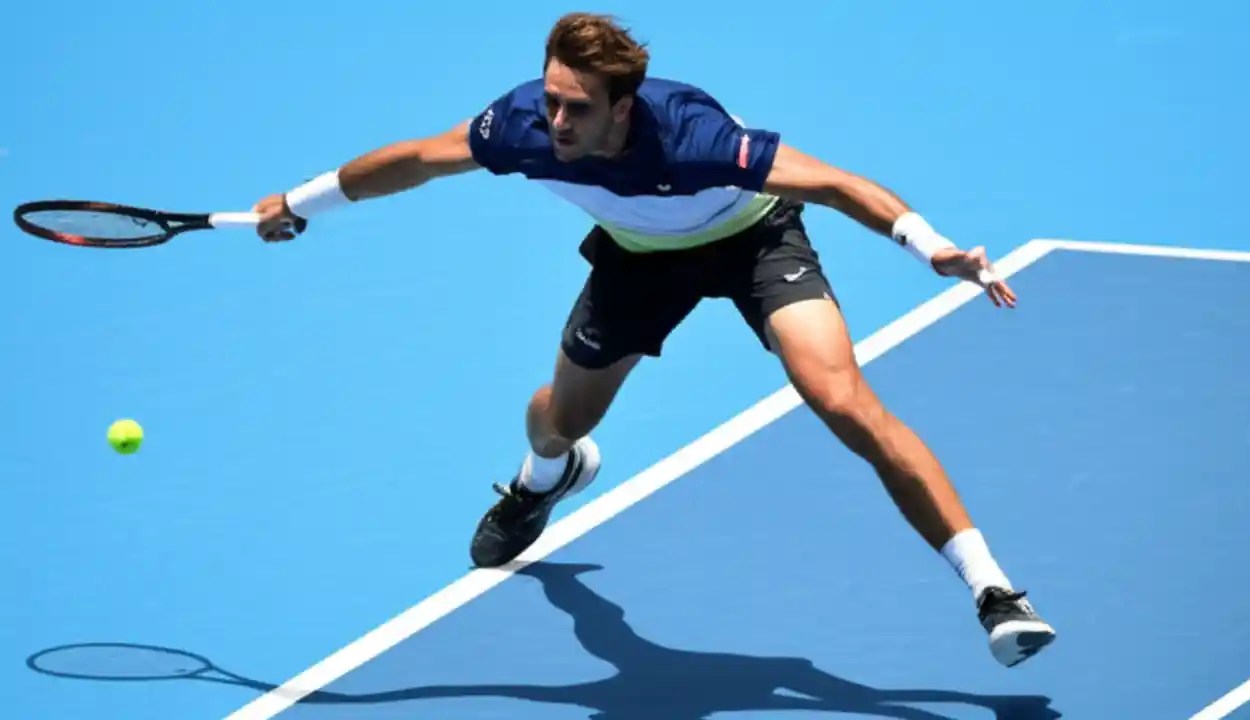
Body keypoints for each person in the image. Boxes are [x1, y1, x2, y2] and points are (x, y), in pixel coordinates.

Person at [252, 12, 1055, 668]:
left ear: (624, 106)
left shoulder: (696, 138)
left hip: (753, 243)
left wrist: (930, 244)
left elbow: (839, 184)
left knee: (841, 400)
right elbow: (417, 161)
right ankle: (545, 478)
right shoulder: (521, 125)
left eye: (578, 107)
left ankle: (994, 592)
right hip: (638, 262)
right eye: (551, 97)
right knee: (560, 420)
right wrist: (299, 201)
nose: (556, 120)